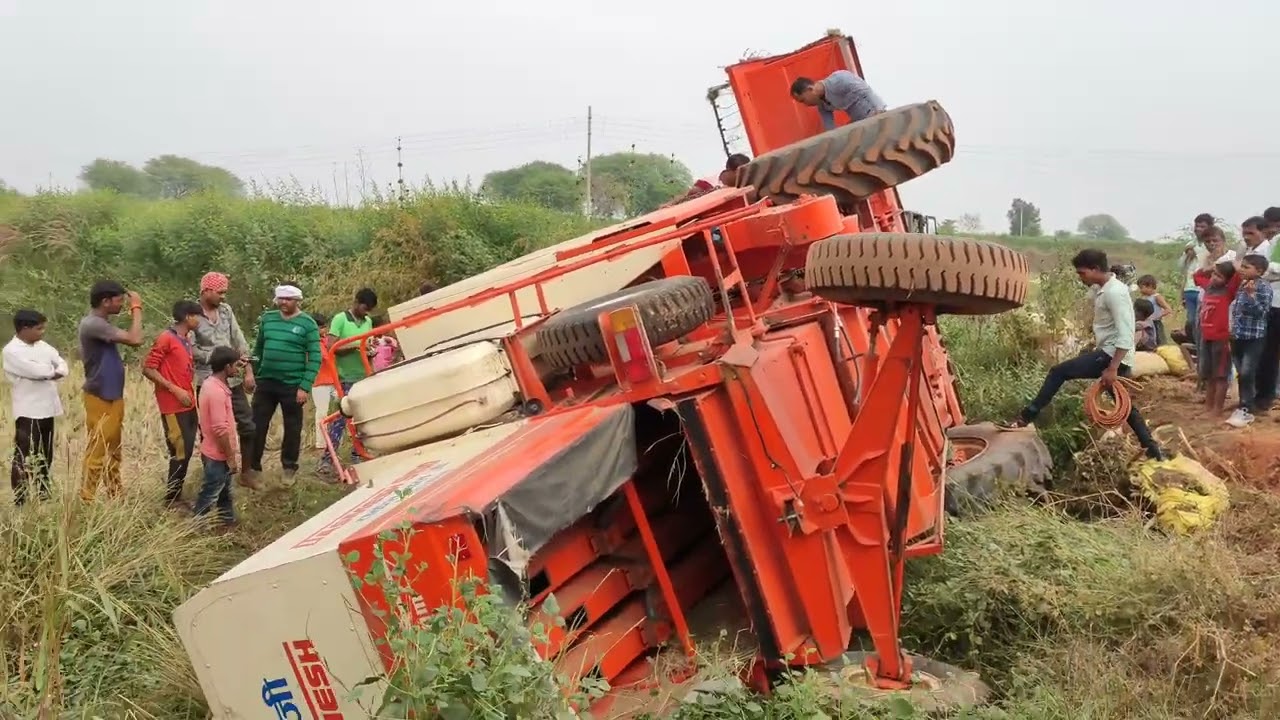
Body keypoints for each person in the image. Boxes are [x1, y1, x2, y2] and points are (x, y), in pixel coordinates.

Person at [1002, 250, 1164, 460]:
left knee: (1058, 372)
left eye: (1082, 273)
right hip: (1110, 353)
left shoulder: (1115, 293)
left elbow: (1125, 333)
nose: (1080, 278)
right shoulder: (1104, 288)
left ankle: (1026, 417)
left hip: (1111, 356)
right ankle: (1153, 450)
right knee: (1127, 408)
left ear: (1096, 269)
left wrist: (1112, 368)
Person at [192, 271, 260, 490]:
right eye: (220, 292)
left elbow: (239, 340)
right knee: (211, 432)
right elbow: (190, 349)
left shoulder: (226, 311)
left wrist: (248, 371)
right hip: (208, 381)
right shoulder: (193, 315)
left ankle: (246, 473)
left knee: (248, 426)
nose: (223, 296)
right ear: (206, 291)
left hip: (232, 380)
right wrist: (217, 356)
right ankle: (215, 479)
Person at [80, 280, 144, 501]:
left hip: (112, 395)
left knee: (113, 451)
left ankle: (115, 495)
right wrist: (137, 308)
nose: (121, 304)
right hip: (100, 396)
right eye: (118, 300)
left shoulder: (101, 323)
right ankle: (86, 499)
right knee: (98, 450)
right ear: (105, 301)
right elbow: (135, 339)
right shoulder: (93, 324)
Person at [251, 284, 322, 481]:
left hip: (292, 384)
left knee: (292, 427)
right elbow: (258, 349)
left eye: (288, 299)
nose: (283, 302)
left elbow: (315, 357)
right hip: (266, 381)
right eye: (280, 298)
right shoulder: (268, 319)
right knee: (256, 425)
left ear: (297, 300)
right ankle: (253, 467)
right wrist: (253, 373)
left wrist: (304, 386)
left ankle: (289, 467)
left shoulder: (308, 324)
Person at [142, 300, 203, 508]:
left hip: (188, 403)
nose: (200, 320)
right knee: (179, 451)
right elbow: (149, 368)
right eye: (197, 316)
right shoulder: (165, 338)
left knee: (186, 449)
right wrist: (174, 389)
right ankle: (171, 499)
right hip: (172, 405)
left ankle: (177, 494)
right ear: (188, 317)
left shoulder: (186, 339)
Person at [3, 309, 67, 505]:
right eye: (39, 328)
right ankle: (21, 498)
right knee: (24, 454)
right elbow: (34, 371)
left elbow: (62, 363)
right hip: (28, 410)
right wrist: (51, 372)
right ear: (25, 328)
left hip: (47, 407)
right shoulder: (11, 351)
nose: (42, 332)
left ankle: (43, 492)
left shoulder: (42, 346)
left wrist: (55, 371)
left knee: (45, 453)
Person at [322, 288, 379, 471]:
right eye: (364, 308)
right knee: (342, 417)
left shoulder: (367, 321)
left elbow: (367, 343)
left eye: (369, 310)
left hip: (364, 374)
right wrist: (354, 347)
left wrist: (370, 351)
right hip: (346, 376)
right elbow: (332, 347)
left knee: (362, 418)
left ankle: (358, 453)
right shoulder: (340, 319)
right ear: (356, 302)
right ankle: (327, 458)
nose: (366, 312)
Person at [195, 345, 244, 528]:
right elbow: (220, 429)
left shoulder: (210, 384)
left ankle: (227, 521)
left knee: (224, 491)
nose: (237, 369)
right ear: (227, 367)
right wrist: (231, 457)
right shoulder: (216, 392)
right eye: (235, 366)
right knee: (210, 493)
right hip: (218, 454)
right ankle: (197, 526)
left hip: (214, 451)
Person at [1226, 255, 1273, 427]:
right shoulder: (1242, 285)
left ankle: (1246, 408)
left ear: (1259, 271)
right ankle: (1246, 404)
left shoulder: (1263, 287)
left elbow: (1262, 312)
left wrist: (1252, 295)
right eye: (1242, 266)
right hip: (1238, 336)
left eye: (1246, 267)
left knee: (1247, 372)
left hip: (1254, 337)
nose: (1242, 270)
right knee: (1241, 372)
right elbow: (1237, 310)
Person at [1194, 260, 1240, 416]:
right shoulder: (1209, 288)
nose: (1214, 278)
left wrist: (1235, 266)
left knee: (1220, 375)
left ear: (1227, 280)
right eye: (1214, 274)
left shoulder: (1229, 292)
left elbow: (1237, 278)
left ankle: (1217, 409)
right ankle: (1208, 406)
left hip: (1222, 338)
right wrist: (1210, 268)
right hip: (1206, 336)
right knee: (1209, 374)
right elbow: (1197, 276)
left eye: (1219, 276)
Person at [790, 71, 887, 131]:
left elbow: (865, 90)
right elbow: (830, 129)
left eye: (803, 100)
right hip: (860, 121)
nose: (806, 105)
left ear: (810, 89)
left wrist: (879, 111)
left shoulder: (839, 79)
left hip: (874, 112)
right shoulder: (822, 105)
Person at [1253, 213, 1280, 410]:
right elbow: (1264, 270)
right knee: (1267, 352)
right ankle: (1265, 397)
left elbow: (1267, 268)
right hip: (1274, 304)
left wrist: (1269, 270)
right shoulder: (1276, 242)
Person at [1180, 213, 1215, 341]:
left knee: (1202, 320)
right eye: (1197, 226)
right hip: (1189, 288)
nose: (1198, 229)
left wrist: (1198, 253)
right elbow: (1183, 268)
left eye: (1202, 226)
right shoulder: (1190, 244)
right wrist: (1187, 254)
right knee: (1191, 321)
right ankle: (1195, 346)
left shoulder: (1212, 244)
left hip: (1204, 288)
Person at [309, 311, 338, 452]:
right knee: (322, 413)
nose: (324, 330)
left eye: (324, 327)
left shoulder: (327, 340)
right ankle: (322, 443)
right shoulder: (310, 343)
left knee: (345, 406)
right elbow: (324, 357)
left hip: (334, 379)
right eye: (320, 328)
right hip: (319, 382)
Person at [672, 154, 752, 204]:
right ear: (729, 170)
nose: (745, 177)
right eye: (741, 173)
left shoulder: (747, 185)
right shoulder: (705, 185)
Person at [1135, 275, 1172, 345]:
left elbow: (1168, 309)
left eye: (1142, 288)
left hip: (1155, 323)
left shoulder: (1156, 297)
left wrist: (1155, 317)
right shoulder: (1143, 297)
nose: (1140, 290)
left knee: (1159, 341)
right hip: (1146, 323)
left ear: (1150, 286)